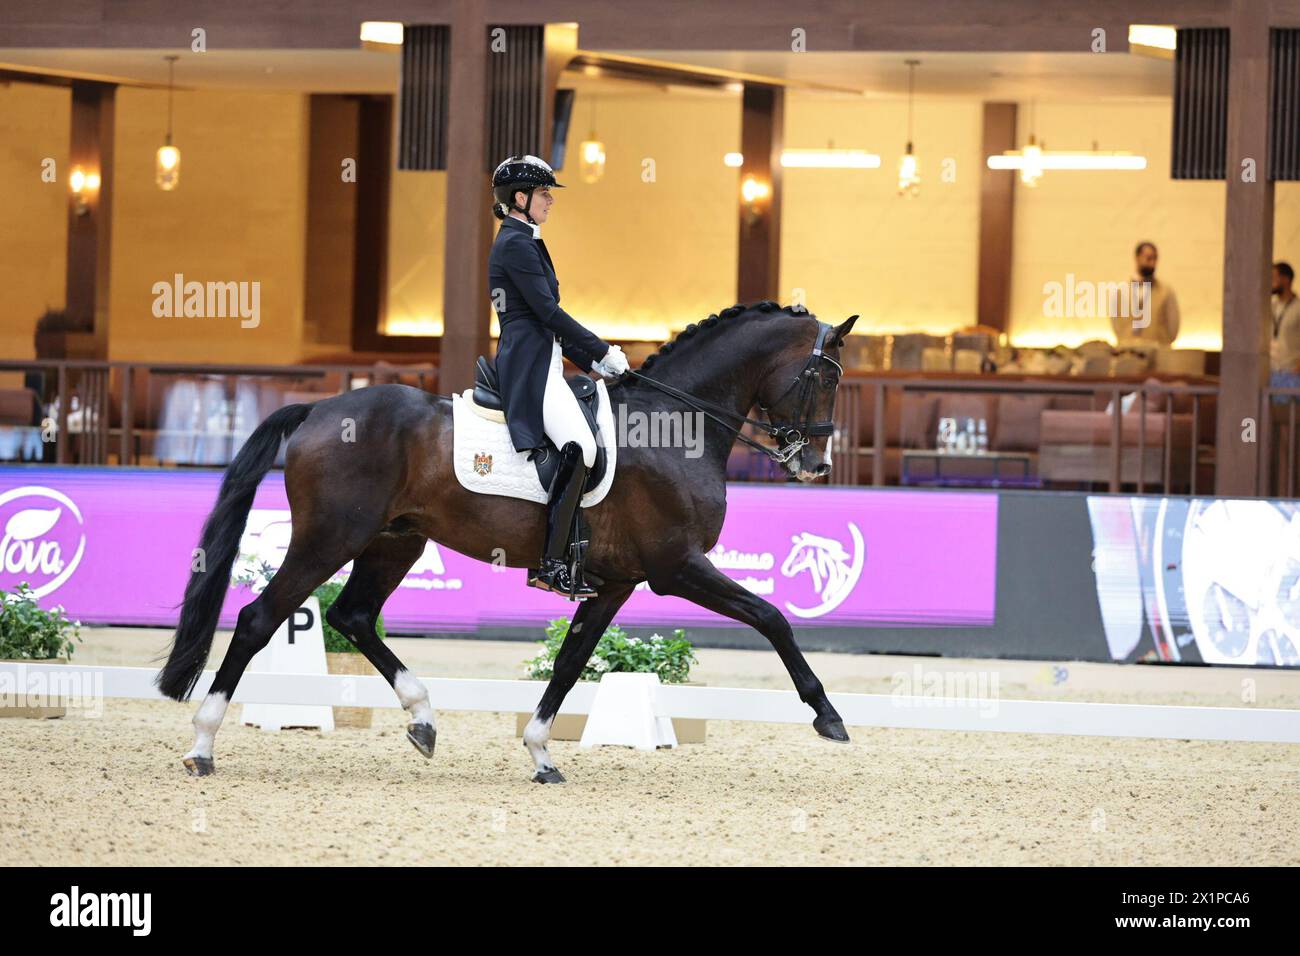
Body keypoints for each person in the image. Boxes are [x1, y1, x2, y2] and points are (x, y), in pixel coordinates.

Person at [486, 154, 629, 600]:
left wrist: (593, 363)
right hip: (527, 366)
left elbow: (545, 320)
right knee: (581, 447)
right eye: (545, 194)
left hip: (543, 358)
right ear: (521, 198)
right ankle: (550, 564)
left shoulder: (525, 239)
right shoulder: (515, 243)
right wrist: (601, 349)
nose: (550, 201)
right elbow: (547, 312)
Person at [1111, 241, 1180, 348]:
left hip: (1157, 351)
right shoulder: (1121, 290)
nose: (1152, 263)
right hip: (1128, 351)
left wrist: (1163, 343)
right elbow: (1115, 322)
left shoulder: (1166, 291)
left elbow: (1173, 324)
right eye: (1148, 258)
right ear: (1137, 258)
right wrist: (1125, 338)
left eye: (1154, 259)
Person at [1271, 261, 1300, 372]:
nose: (1270, 281)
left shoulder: (1298, 308)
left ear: (1286, 279)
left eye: (1273, 277)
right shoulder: (1269, 307)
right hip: (1268, 371)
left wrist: (1297, 369)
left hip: (1291, 371)